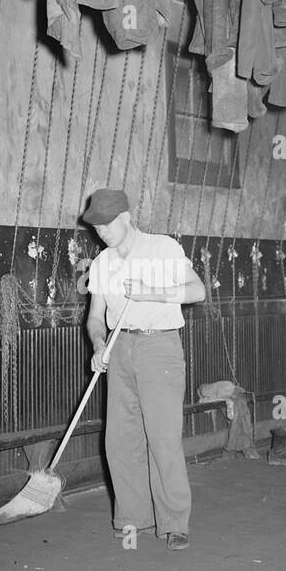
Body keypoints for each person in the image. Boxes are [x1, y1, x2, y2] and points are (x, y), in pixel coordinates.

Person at [83, 188, 207, 551]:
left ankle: (174, 523)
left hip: (159, 347)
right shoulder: (102, 263)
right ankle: (133, 517)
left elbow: (197, 291)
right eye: (96, 226)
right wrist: (99, 345)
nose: (101, 231)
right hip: (119, 350)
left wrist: (150, 292)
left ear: (125, 217)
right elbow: (94, 317)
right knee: (120, 439)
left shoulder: (162, 248)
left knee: (163, 437)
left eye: (107, 224)